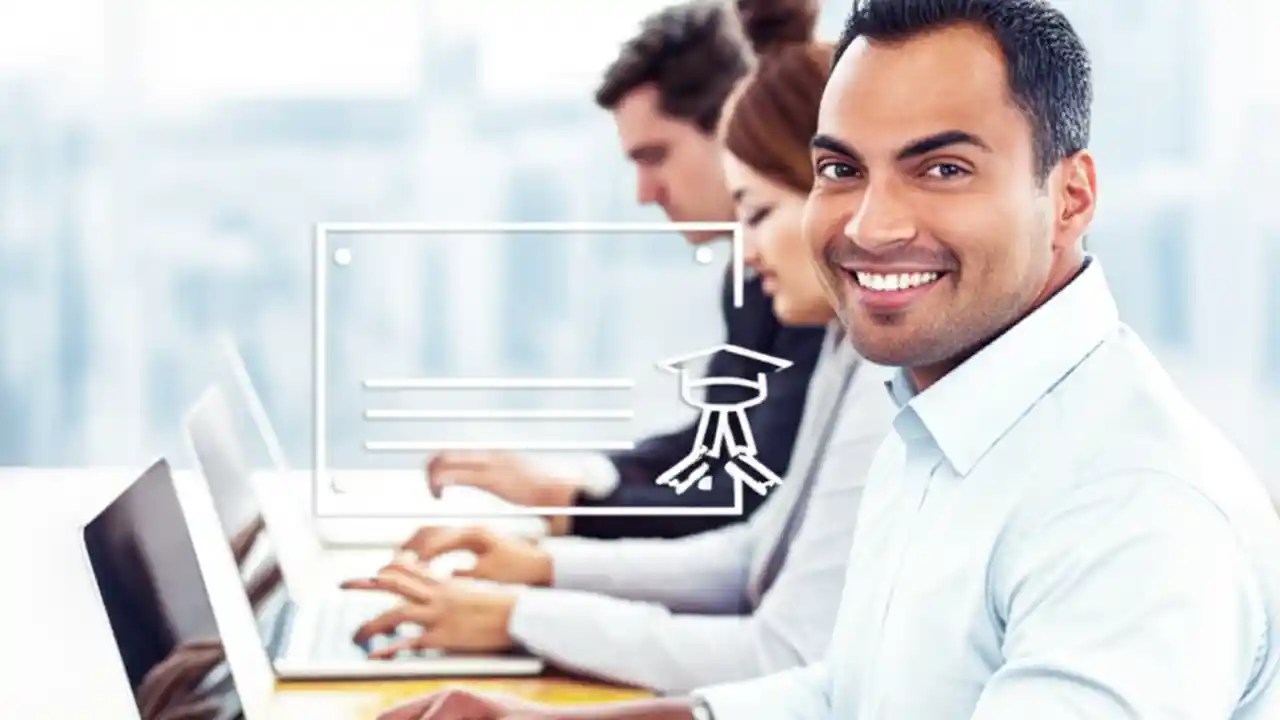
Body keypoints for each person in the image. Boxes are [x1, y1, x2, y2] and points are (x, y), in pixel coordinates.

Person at [370, 0, 1280, 718]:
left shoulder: (1133, 511)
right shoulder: (941, 409)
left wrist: (531, 608)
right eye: (842, 170)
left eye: (943, 169)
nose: (871, 224)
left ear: (1070, 195)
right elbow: (851, 693)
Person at [343, 42, 897, 694]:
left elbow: (777, 641)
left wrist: (525, 605)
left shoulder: (878, 369)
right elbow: (753, 550)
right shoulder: (844, 347)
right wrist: (543, 568)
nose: (743, 252)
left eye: (758, 212)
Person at [421, 0, 828, 541]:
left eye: (655, 156)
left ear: (735, 121)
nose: (643, 194)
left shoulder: (813, 287)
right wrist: (585, 476)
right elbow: (719, 442)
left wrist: (569, 505)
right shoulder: (751, 278)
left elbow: (744, 491)